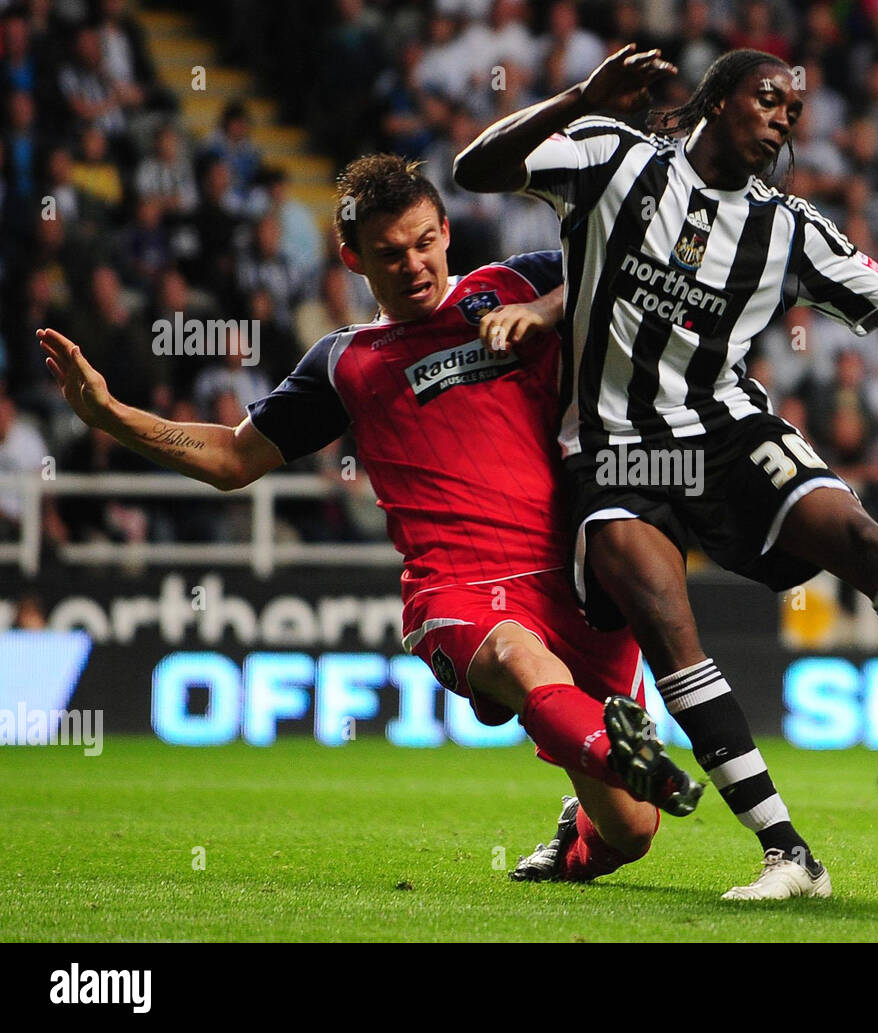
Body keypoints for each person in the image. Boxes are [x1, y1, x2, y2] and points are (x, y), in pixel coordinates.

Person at [453, 46, 878, 899]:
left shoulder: (789, 228)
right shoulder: (613, 153)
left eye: (794, 107)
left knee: (861, 536)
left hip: (727, 430)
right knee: (672, 629)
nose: (785, 116)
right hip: (611, 447)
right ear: (715, 101)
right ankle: (790, 854)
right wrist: (578, 97)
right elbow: (475, 168)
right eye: (767, 99)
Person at [39, 154, 703, 887]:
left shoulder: (515, 286)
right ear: (352, 258)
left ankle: (579, 832)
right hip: (459, 589)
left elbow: (635, 271)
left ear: (448, 230)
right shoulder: (344, 362)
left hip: (578, 583)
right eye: (389, 253)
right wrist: (110, 415)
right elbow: (233, 458)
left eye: (424, 241)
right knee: (519, 658)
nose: (413, 264)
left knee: (631, 830)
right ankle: (629, 756)